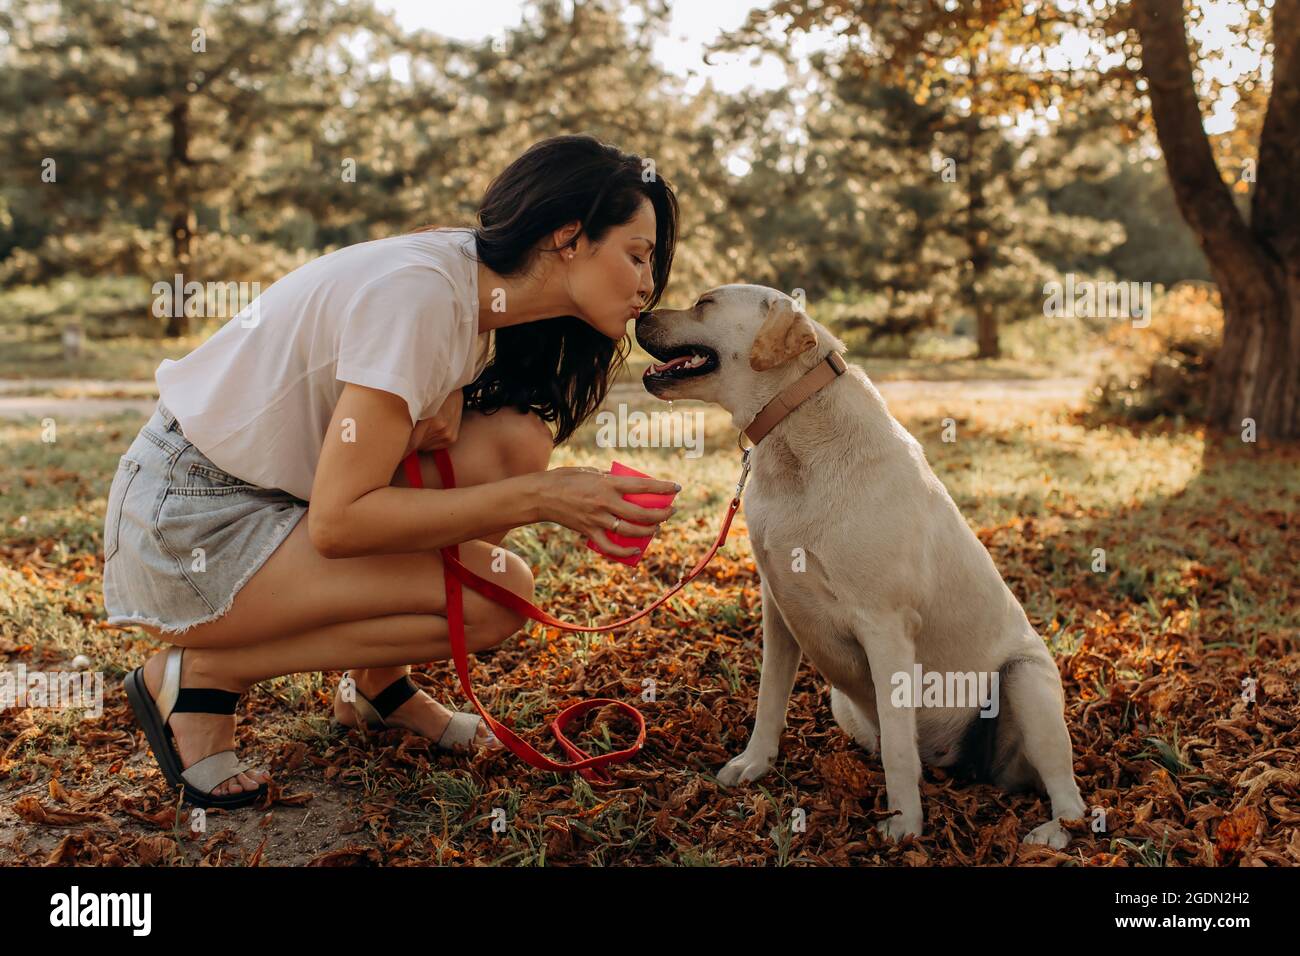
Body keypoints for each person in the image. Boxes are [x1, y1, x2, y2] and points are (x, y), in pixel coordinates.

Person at [102, 134, 681, 806]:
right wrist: (543, 498)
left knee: (513, 441)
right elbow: (342, 522)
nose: (647, 283)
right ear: (569, 237)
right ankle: (201, 679)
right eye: (637, 255)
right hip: (189, 524)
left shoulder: (467, 294)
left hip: (263, 499)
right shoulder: (422, 298)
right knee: (501, 595)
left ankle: (377, 688)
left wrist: (508, 465)